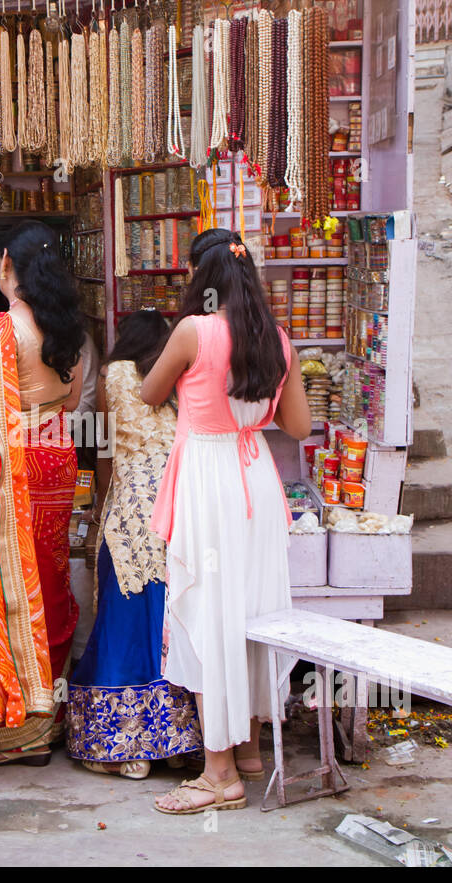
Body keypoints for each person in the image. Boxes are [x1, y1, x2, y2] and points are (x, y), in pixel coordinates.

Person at [139, 229, 310, 814]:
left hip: (208, 480)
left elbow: (147, 392)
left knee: (211, 613)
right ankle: (252, 750)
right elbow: (300, 426)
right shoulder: (278, 340)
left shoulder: (193, 331)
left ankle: (219, 774)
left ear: (201, 279)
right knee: (252, 610)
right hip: (255, 479)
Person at [0, 219, 85, 766]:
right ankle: (47, 717)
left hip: (15, 468)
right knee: (47, 579)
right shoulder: (67, 329)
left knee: (6, 584)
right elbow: (70, 404)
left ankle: (15, 729)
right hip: (57, 459)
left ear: (7, 264)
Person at [66, 308, 203, 778]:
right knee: (170, 621)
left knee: (124, 624)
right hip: (179, 506)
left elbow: (103, 451)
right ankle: (176, 740)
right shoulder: (179, 375)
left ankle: (127, 750)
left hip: (129, 513)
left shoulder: (110, 375)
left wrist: (103, 508)